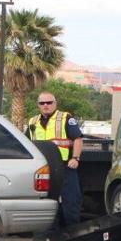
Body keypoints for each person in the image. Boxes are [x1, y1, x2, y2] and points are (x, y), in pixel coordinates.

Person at [28, 92, 84, 228]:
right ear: (38, 105)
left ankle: (73, 233)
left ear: (55, 103)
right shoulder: (32, 122)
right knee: (47, 203)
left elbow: (77, 139)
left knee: (70, 201)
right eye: (42, 103)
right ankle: (50, 236)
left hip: (64, 166)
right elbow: (27, 143)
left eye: (49, 102)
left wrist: (75, 158)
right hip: (43, 168)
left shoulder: (65, 118)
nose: (45, 105)